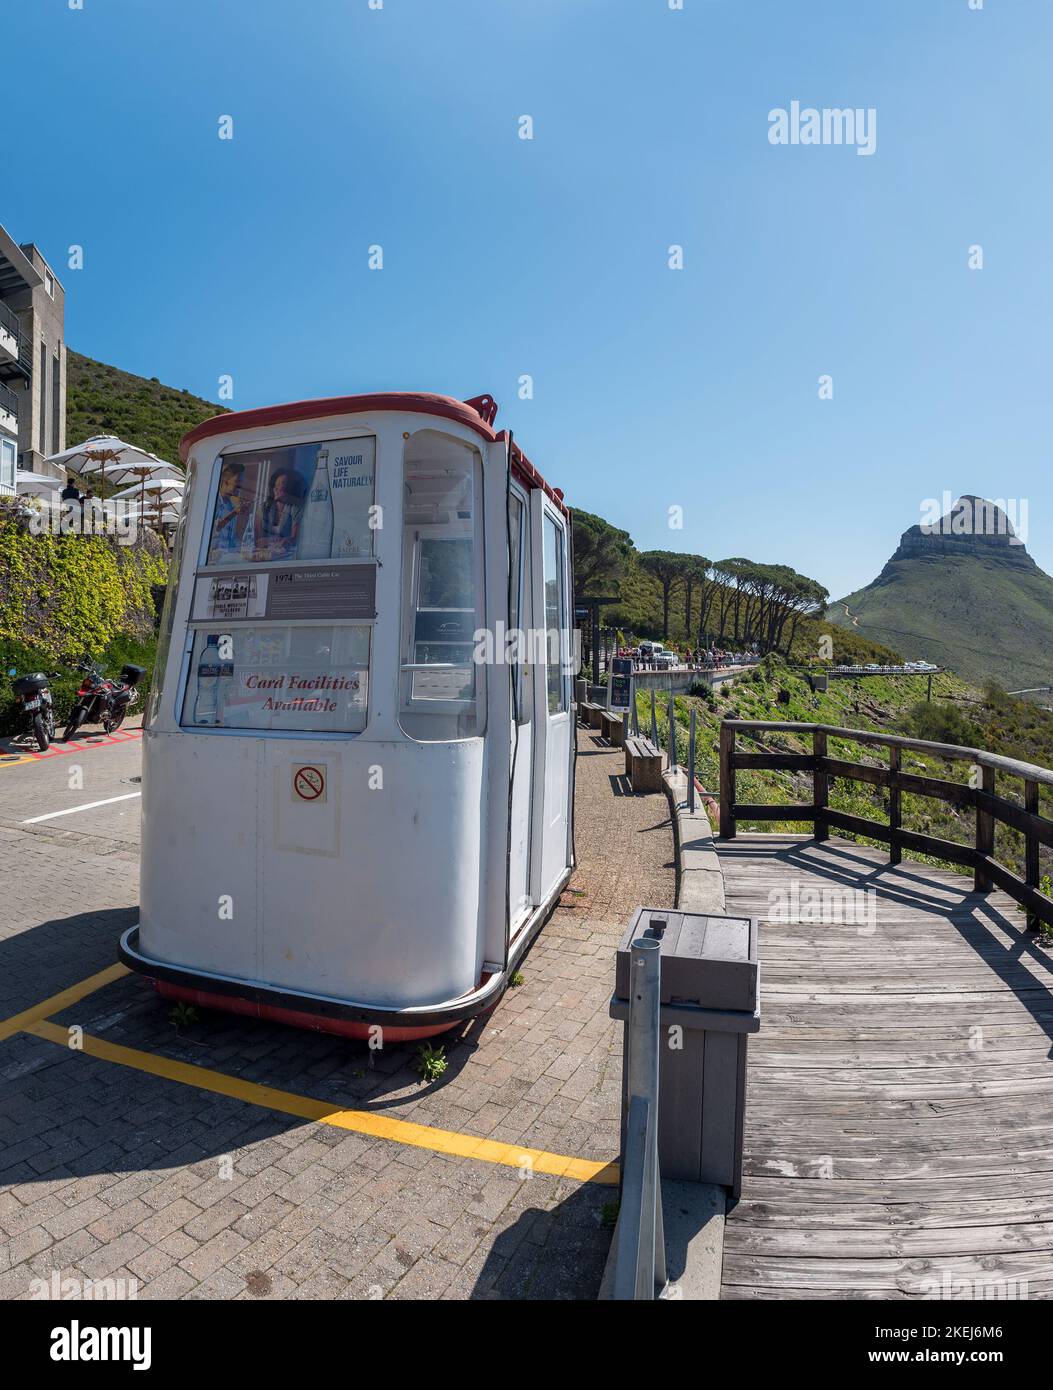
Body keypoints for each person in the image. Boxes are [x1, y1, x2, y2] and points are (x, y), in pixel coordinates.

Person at [257, 468, 306, 559]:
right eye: (275, 484)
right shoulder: (265, 507)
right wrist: (271, 541)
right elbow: (257, 540)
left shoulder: (296, 507)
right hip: (266, 555)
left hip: (286, 557)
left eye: (281, 484)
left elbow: (295, 538)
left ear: (290, 488)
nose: (276, 488)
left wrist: (285, 541)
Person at [210, 460, 248, 560]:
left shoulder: (230, 505)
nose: (240, 486)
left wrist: (244, 548)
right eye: (237, 482)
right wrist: (235, 513)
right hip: (212, 558)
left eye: (241, 482)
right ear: (226, 481)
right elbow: (214, 528)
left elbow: (231, 538)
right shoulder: (212, 502)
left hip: (226, 557)